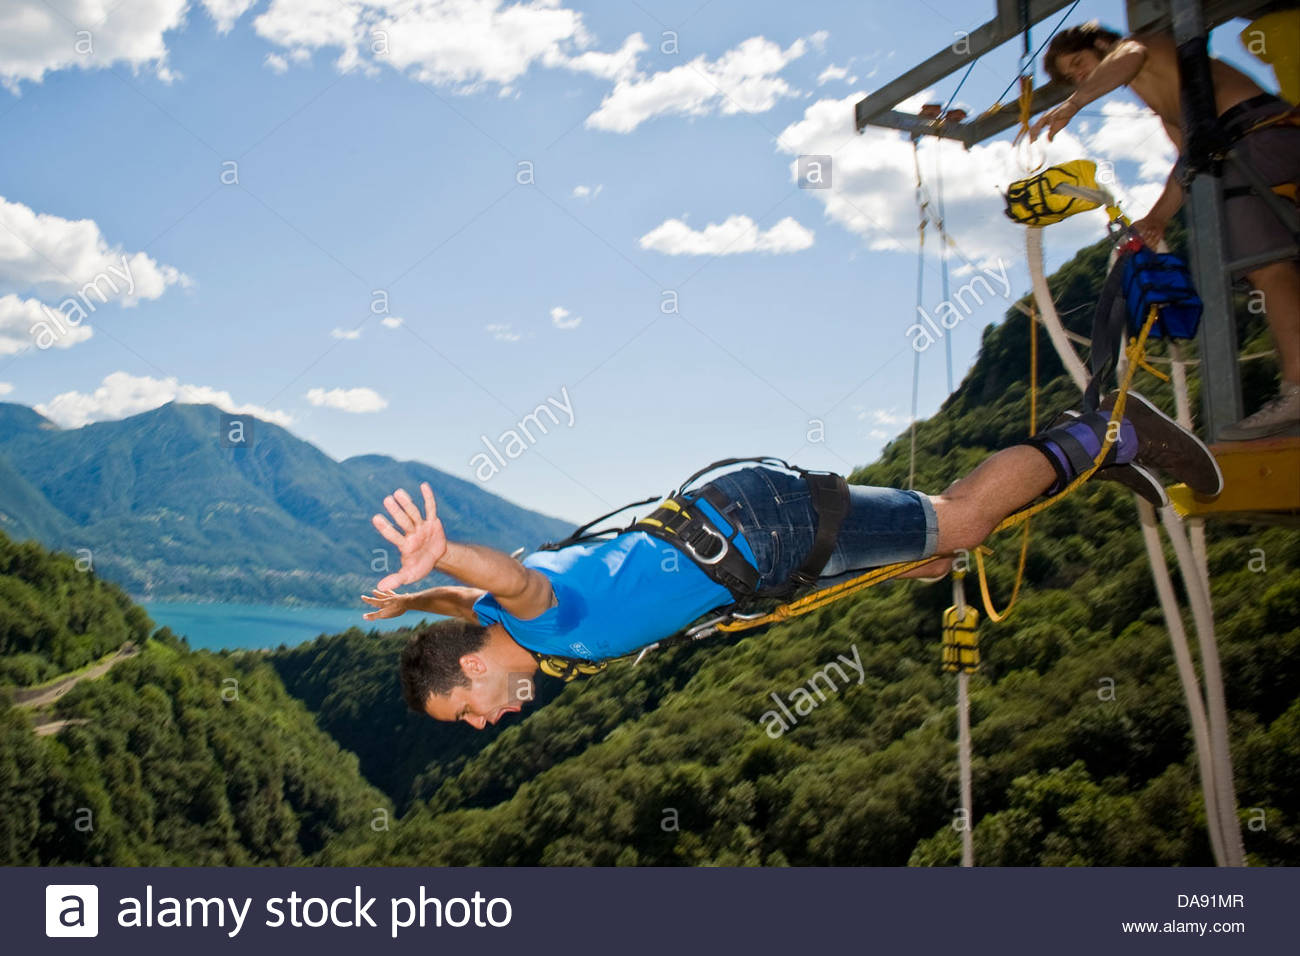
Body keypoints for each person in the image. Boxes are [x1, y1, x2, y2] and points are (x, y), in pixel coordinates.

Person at [365, 392, 1221, 729]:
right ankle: (1087, 448)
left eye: (468, 709)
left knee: (956, 529)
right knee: (924, 556)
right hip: (758, 545)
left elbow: (510, 583)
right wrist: (422, 600)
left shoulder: (545, 615)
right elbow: (479, 602)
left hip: (765, 532)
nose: (486, 722)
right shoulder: (506, 632)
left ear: (476, 669)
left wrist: (452, 555)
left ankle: (1109, 430)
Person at [1028, 22, 1300, 440]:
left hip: (1257, 135)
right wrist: (1157, 217)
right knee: (1273, 266)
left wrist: (1075, 102)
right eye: (1071, 77)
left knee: (1266, 267)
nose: (1079, 78)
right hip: (1262, 138)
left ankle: (1297, 387)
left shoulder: (1145, 48)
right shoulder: (1166, 97)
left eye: (1079, 64)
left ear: (1101, 44)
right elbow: (1189, 159)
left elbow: (1128, 54)